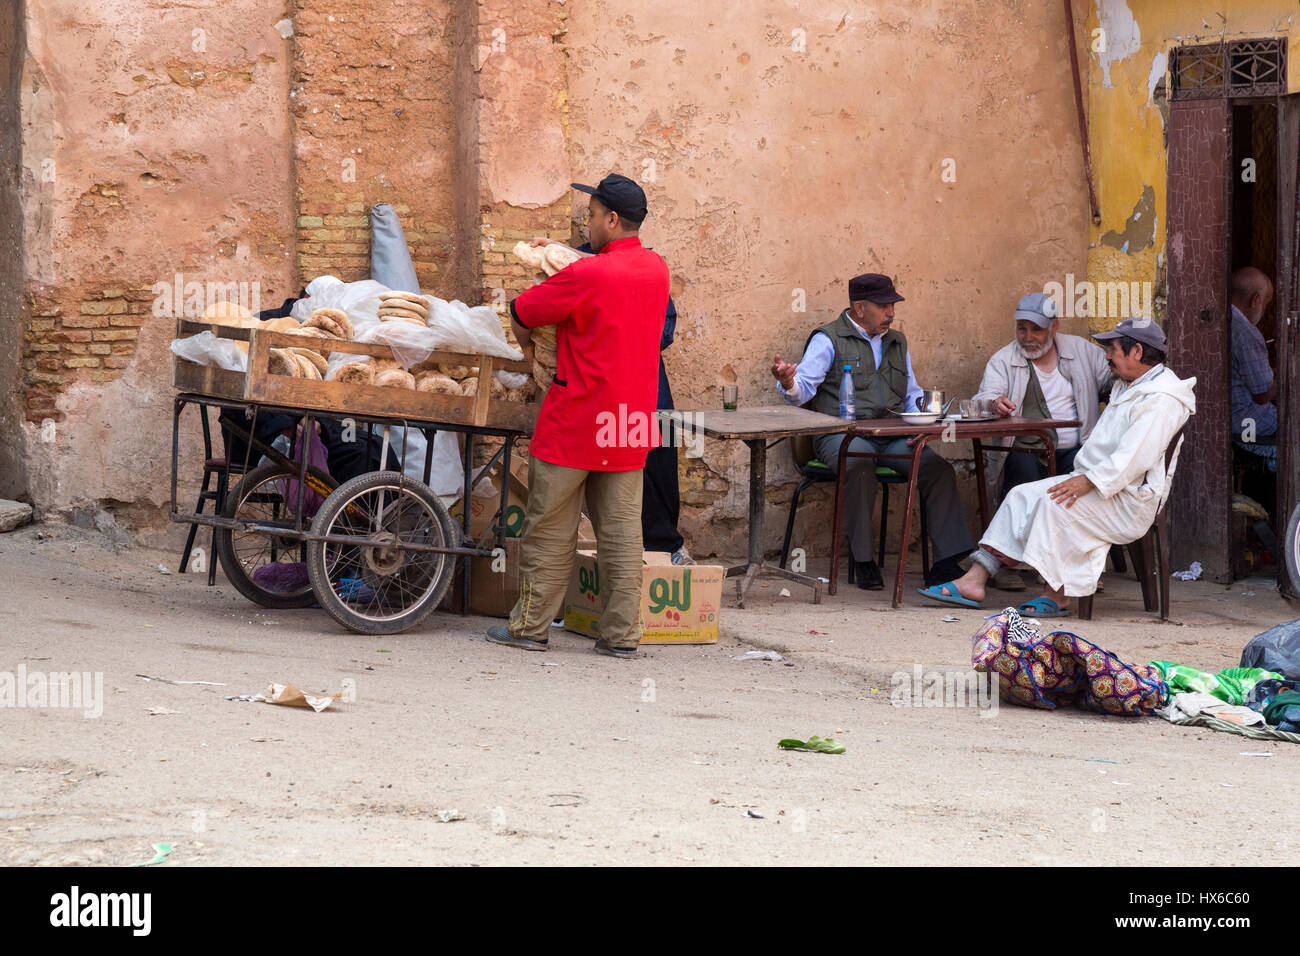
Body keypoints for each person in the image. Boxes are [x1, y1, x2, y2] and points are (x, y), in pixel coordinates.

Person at [486, 173, 669, 659]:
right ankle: (622, 637)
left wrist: (530, 353)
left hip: (576, 422)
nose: (586, 223)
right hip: (629, 425)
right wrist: (570, 258)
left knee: (549, 529)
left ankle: (531, 629)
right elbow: (612, 271)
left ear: (611, 219)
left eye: (590, 216)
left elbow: (523, 311)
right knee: (623, 534)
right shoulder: (657, 270)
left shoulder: (584, 276)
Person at [918, 317, 1196, 616]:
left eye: (1113, 349)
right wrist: (1084, 479)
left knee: (1056, 505)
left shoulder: (1162, 399)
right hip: (1102, 486)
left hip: (1129, 499)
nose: (1107, 356)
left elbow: (1135, 457)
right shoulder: (1132, 384)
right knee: (1021, 495)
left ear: (1137, 352)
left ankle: (1058, 594)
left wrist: (1088, 480)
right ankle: (975, 579)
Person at [770, 273, 974, 590]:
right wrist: (787, 381)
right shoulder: (828, 339)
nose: (891, 312)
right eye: (883, 306)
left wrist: (925, 419)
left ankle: (946, 562)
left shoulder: (897, 341)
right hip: (840, 435)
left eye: (892, 305)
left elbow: (910, 393)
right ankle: (863, 560)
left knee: (936, 468)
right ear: (860, 307)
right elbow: (803, 391)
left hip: (889, 435)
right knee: (859, 462)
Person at [972, 292, 1113, 590]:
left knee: (1078, 479)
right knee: (1021, 472)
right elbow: (983, 397)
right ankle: (1008, 564)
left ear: (1054, 327)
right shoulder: (1003, 359)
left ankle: (1069, 569)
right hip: (1025, 447)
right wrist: (995, 402)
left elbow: (1113, 381)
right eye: (1022, 329)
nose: (1028, 337)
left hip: (1075, 447)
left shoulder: (1083, 352)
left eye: (1036, 329)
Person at [1229, 267, 1278, 473]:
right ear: (1256, 300)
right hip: (1246, 423)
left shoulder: (1223, 319)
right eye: (1266, 305)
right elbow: (1263, 394)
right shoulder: (1245, 332)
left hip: (1231, 417)